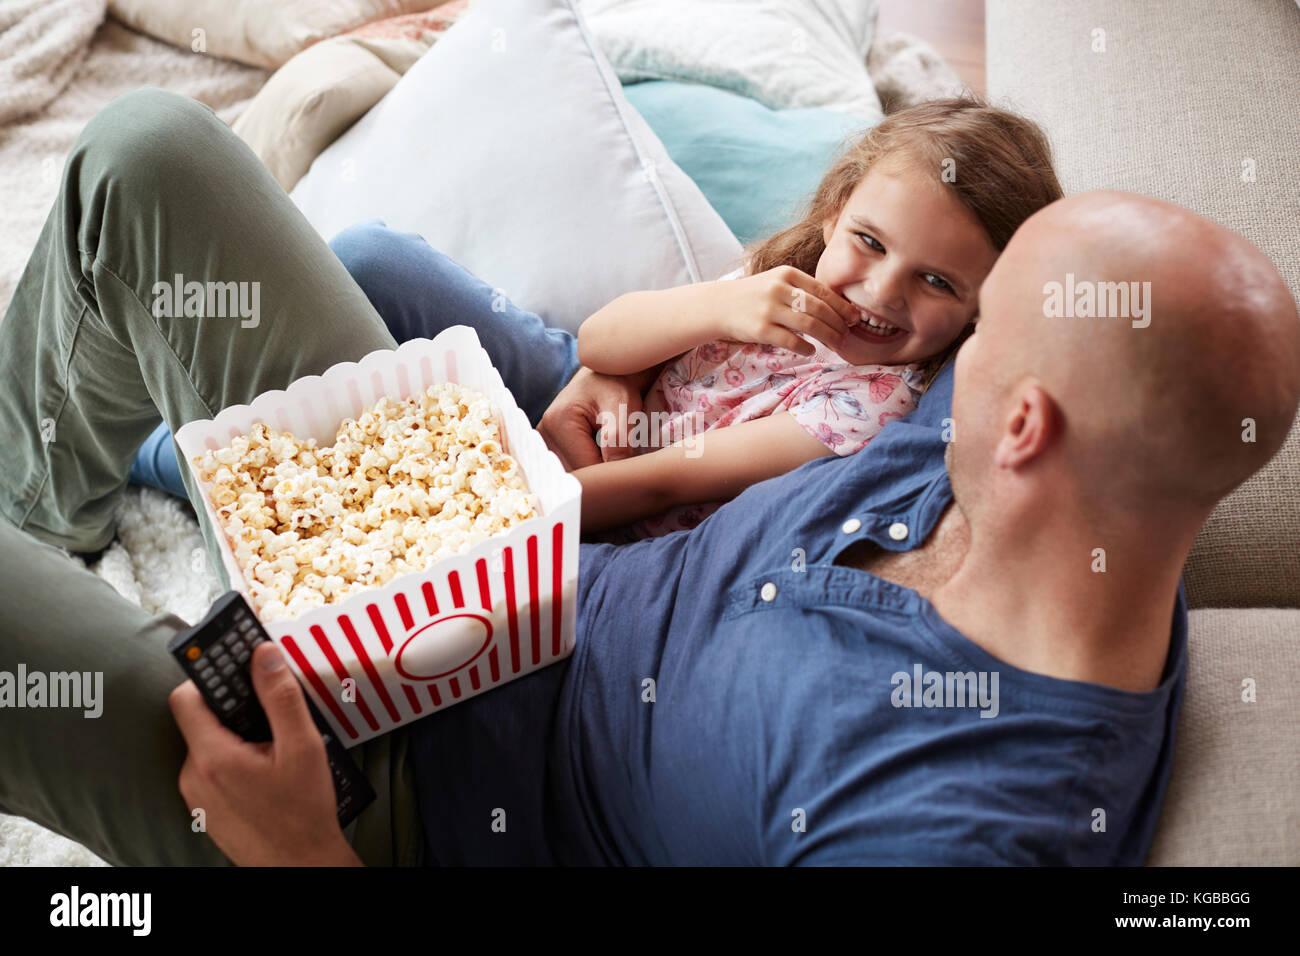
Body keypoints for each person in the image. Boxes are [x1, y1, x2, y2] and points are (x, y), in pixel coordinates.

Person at [1, 89, 1297, 866]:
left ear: (1021, 427)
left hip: (384, 800)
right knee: (149, 152)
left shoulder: (935, 825)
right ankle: (37, 494)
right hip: (466, 553)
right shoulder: (1064, 480)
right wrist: (592, 387)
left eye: (981, 311)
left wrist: (306, 856)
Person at [123, 99, 1064, 544]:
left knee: (362, 466)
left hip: (592, 503)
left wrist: (543, 451)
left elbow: (656, 488)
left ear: (985, 308)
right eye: (869, 240)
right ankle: (214, 384)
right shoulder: (785, 277)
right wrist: (638, 354)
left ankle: (159, 453)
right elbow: (602, 340)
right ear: (835, 210)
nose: (882, 292)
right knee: (372, 255)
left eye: (937, 281)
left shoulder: (866, 413)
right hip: (583, 397)